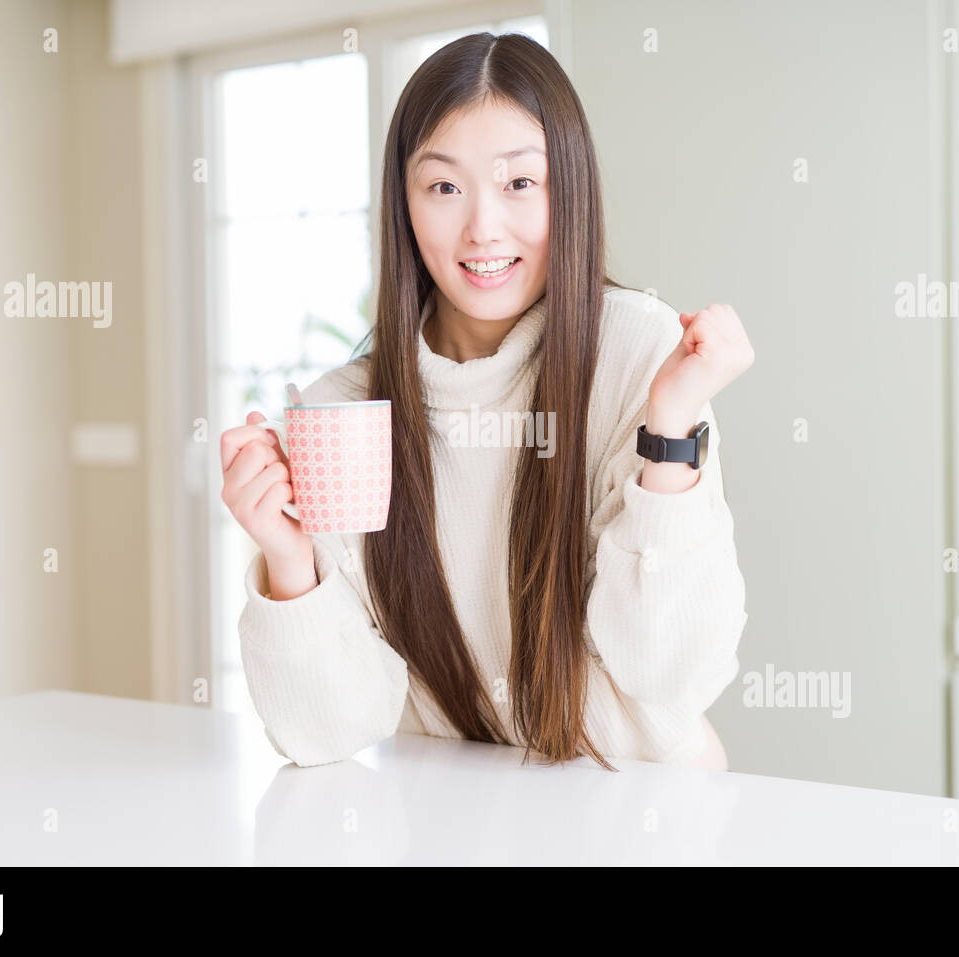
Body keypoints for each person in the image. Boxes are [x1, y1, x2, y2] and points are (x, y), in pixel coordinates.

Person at [220, 32, 754, 771]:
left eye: (519, 184)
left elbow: (667, 672)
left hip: (647, 810)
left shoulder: (642, 352)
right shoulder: (344, 412)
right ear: (402, 204)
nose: (482, 228)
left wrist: (668, 430)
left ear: (568, 188)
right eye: (443, 187)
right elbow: (328, 731)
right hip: (457, 819)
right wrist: (288, 560)